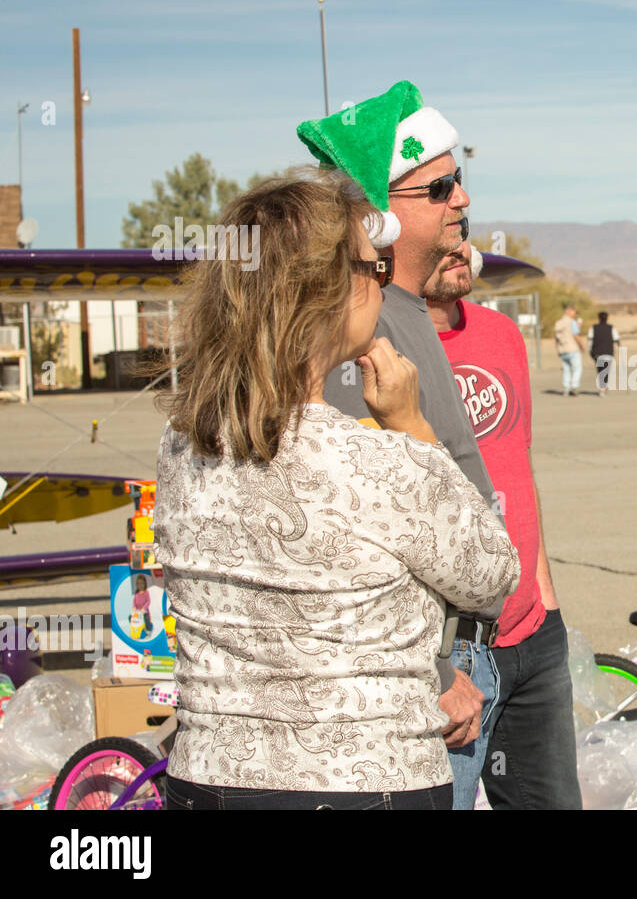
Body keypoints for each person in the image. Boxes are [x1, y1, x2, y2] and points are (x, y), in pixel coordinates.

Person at [152, 172, 519, 809]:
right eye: (375, 269)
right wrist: (413, 426)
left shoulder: (180, 446)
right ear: (326, 293)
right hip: (364, 782)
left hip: (205, 778)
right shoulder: (377, 461)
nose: (382, 284)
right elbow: (491, 573)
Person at [303, 80, 509, 809]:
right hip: (436, 673)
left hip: (469, 646)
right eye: (442, 187)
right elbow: (353, 529)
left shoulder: (406, 309)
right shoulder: (366, 324)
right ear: (383, 216)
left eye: (461, 181)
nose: (463, 200)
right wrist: (434, 669)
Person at [423, 240, 582, 808]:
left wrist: (547, 604)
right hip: (451, 655)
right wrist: (436, 670)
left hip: (533, 637)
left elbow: (518, 467)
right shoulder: (374, 352)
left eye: (463, 226)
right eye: (442, 230)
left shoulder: (500, 334)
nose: (459, 244)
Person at [588, 310, 620, 396]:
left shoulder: (593, 328)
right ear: (607, 318)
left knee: (600, 370)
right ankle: (603, 388)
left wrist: (590, 351)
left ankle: (602, 388)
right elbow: (617, 339)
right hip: (608, 352)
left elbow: (590, 341)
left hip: (597, 353)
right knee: (605, 370)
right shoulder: (611, 328)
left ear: (598, 318)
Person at [554, 305, 582, 396]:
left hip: (562, 350)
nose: (574, 314)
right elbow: (576, 335)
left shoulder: (558, 323)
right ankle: (574, 386)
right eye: (574, 312)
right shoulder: (572, 322)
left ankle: (566, 388)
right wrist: (581, 345)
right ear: (569, 312)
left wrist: (558, 349)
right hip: (572, 349)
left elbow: (556, 339)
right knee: (577, 369)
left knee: (566, 370)